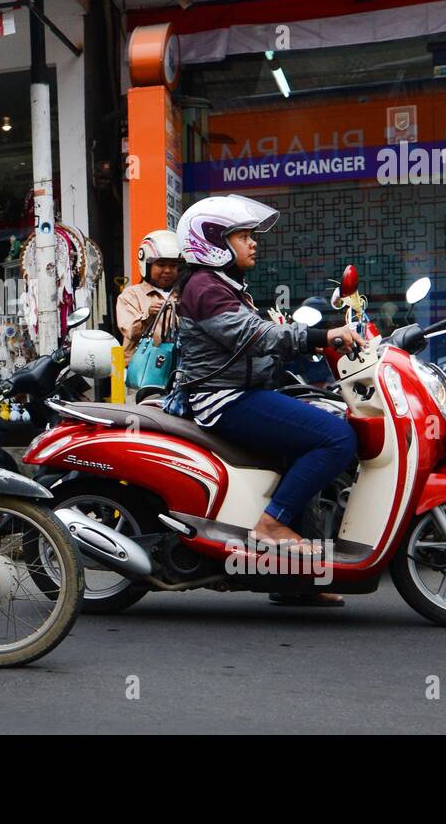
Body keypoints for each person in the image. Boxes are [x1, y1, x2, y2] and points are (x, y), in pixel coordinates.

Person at [174, 194, 364, 605]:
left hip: (245, 392)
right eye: (242, 236)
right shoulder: (205, 287)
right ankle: (272, 526)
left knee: (302, 450)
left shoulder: (224, 285)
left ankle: (296, 580)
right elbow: (254, 336)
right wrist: (322, 336)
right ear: (212, 242)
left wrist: (321, 336)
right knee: (336, 438)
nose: (252, 243)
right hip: (223, 400)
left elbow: (267, 330)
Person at [116, 229, 182, 363]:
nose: (168, 270)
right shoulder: (131, 295)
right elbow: (130, 333)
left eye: (173, 265)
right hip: (142, 372)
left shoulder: (184, 294)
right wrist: (148, 316)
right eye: (161, 264)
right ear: (146, 265)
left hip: (178, 370)